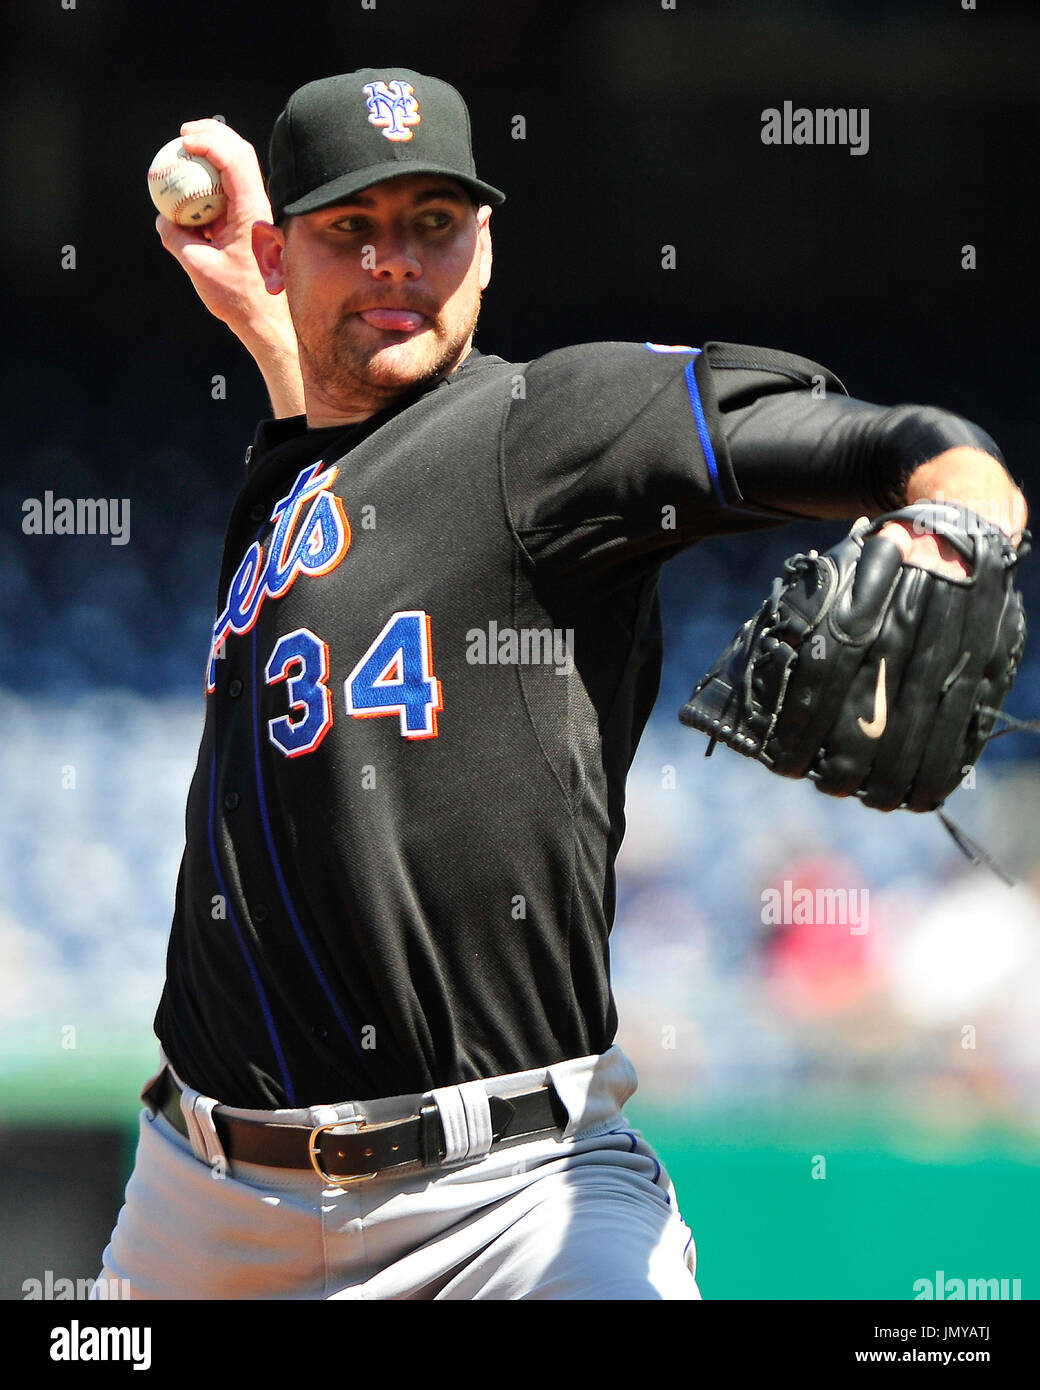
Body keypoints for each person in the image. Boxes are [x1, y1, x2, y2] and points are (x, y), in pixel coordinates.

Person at [95, 68, 1026, 1300]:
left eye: (433, 224)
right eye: (351, 232)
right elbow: (353, 477)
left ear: (484, 244)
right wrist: (271, 327)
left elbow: (876, 438)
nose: (395, 264)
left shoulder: (548, 426)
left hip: (510, 1203)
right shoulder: (286, 485)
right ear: (282, 252)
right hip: (201, 1212)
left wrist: (960, 511)